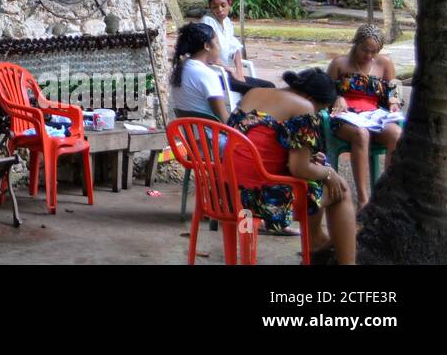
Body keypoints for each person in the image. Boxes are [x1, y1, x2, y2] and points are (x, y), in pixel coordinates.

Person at [229, 69, 356, 263]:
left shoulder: (254, 93)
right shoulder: (303, 106)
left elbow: (259, 143)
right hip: (260, 198)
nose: (318, 114)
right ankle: (344, 261)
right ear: (309, 97)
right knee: (341, 189)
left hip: (228, 190)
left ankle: (316, 241)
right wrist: (330, 173)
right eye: (320, 108)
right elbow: (299, 169)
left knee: (315, 177)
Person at [327, 23, 403, 207]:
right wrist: (337, 97)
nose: (369, 56)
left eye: (374, 51)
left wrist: (394, 102)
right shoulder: (339, 63)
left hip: (374, 114)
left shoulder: (384, 63)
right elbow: (323, 91)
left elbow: (395, 87)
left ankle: (387, 193)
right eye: (365, 50)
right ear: (356, 44)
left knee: (395, 134)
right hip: (346, 117)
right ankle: (363, 199)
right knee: (361, 133)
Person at [201, 0, 274, 93]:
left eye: (223, 5)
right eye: (215, 7)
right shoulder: (208, 22)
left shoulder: (227, 22)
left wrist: (239, 73)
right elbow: (210, 54)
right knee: (256, 91)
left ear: (229, 4)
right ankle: (247, 109)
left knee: (269, 86)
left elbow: (235, 48)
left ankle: (255, 109)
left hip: (227, 75)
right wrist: (231, 71)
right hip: (216, 75)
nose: (220, 10)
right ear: (210, 8)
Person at [169, 22, 231, 122]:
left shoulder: (181, 68)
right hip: (214, 136)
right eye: (217, 43)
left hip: (191, 136)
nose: (218, 48)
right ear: (207, 46)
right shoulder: (207, 74)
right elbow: (223, 118)